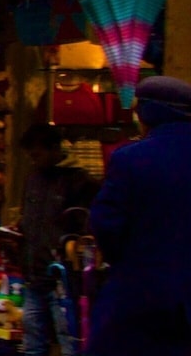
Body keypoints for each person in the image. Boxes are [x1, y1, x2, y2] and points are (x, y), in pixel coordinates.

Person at [88, 76, 191, 356]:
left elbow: (107, 224)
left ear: (148, 113)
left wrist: (124, 260)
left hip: (140, 299)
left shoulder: (131, 159)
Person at [15, 124, 97, 356]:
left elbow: (88, 229)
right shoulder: (33, 178)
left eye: (37, 154)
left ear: (54, 149)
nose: (33, 159)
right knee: (32, 343)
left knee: (69, 340)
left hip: (63, 280)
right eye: (30, 154)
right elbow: (27, 219)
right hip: (33, 275)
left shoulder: (80, 181)